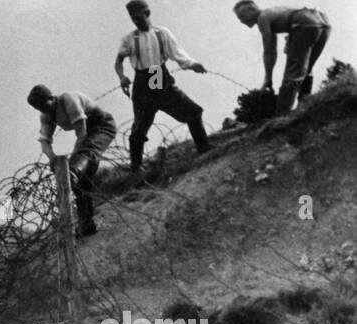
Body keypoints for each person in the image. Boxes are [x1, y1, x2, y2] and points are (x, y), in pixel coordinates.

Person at [114, 1, 211, 173]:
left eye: (139, 17)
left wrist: (193, 64)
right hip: (143, 81)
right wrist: (122, 77)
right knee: (140, 126)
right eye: (133, 18)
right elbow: (119, 61)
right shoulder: (129, 39)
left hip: (158, 75)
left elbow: (178, 54)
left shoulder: (162, 33)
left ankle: (204, 148)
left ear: (147, 12)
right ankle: (136, 167)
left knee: (193, 111)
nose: (136, 21)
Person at [28, 85, 118, 237]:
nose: (44, 110)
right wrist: (54, 160)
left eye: (45, 105)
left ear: (51, 98)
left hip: (102, 126)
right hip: (87, 136)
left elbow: (82, 134)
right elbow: (44, 142)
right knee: (83, 184)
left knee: (86, 153)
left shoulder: (68, 100)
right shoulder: (45, 115)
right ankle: (86, 226)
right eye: (39, 108)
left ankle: (72, 175)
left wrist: (69, 169)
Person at [233, 3, 331, 113]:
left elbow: (270, 51)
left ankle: (281, 116)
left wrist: (268, 79)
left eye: (242, 16)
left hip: (303, 22)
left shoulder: (262, 17)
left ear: (252, 10)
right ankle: (305, 107)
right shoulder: (273, 11)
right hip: (323, 22)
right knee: (307, 68)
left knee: (292, 74)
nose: (241, 21)